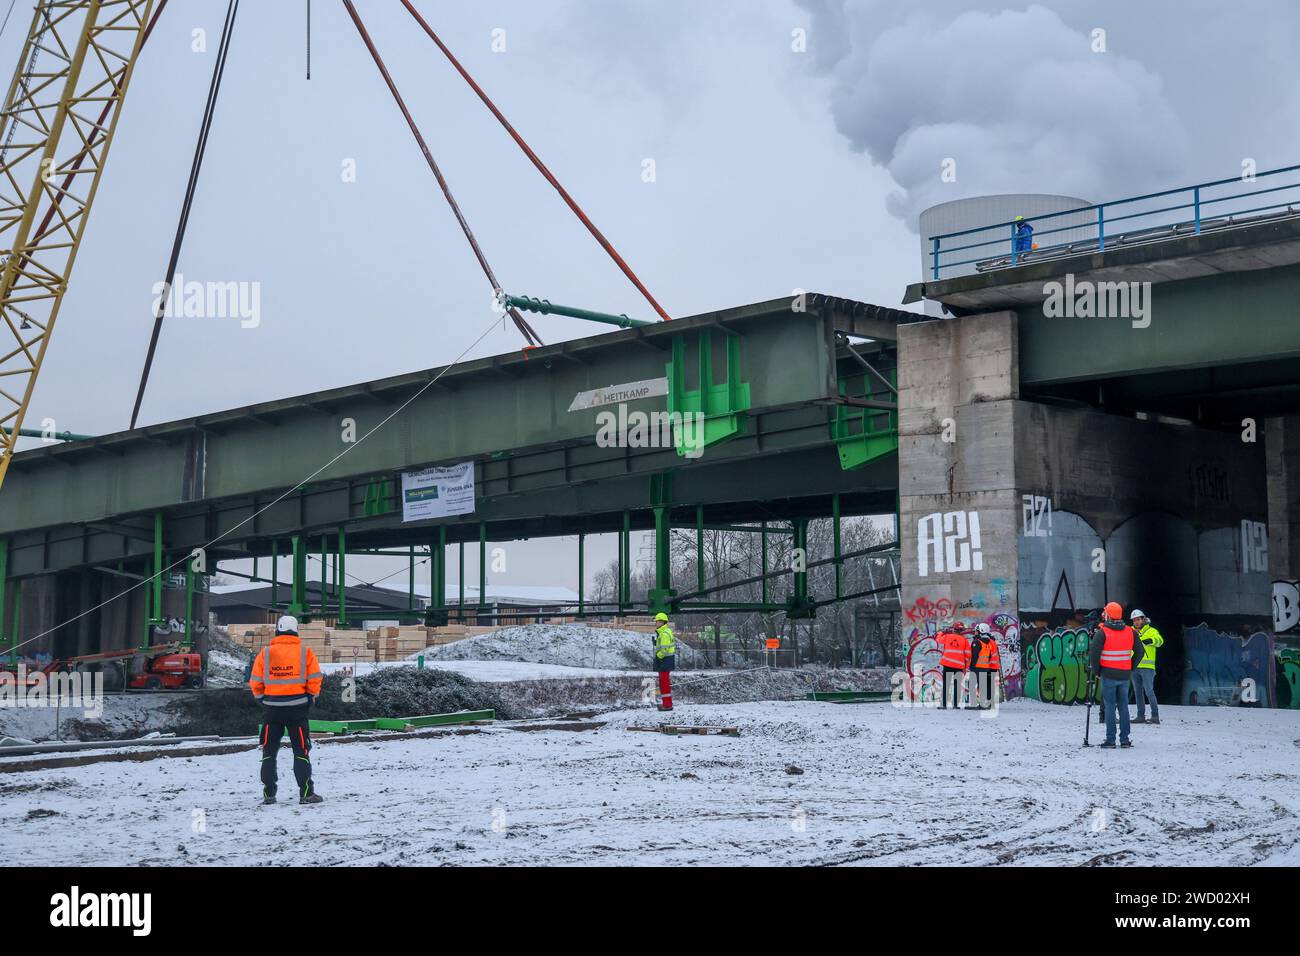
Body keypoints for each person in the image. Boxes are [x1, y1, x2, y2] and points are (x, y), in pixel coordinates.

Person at [248, 615, 324, 804]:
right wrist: (310, 698)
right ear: (296, 630)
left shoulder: (265, 653)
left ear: (277, 630)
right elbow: (315, 679)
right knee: (301, 751)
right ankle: (306, 793)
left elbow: (255, 682)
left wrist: (262, 700)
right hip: (297, 709)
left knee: (268, 751)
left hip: (271, 709)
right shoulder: (305, 652)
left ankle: (269, 795)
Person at [1088, 602, 1144, 749]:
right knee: (1124, 706)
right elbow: (1140, 652)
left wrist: (1097, 671)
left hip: (1108, 675)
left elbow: (1094, 655)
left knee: (1110, 706)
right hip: (1124, 676)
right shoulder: (1130, 632)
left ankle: (1110, 740)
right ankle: (1125, 740)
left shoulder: (1103, 633)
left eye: (1105, 613)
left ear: (1109, 615)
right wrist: (1130, 667)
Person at [1129, 609, 1163, 725]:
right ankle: (1140, 716)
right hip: (1134, 666)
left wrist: (1152, 640)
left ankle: (1155, 716)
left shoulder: (1152, 631)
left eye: (1138, 619)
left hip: (1147, 667)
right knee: (1137, 692)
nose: (1136, 622)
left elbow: (1160, 641)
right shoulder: (1130, 631)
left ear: (1143, 619)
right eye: (1134, 620)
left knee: (1149, 691)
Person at [938, 622, 971, 709]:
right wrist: (965, 666)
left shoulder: (947, 637)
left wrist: (942, 632)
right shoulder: (965, 641)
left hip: (947, 664)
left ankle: (944, 705)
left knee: (946, 685)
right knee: (957, 686)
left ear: (954, 629)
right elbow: (968, 655)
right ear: (961, 630)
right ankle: (955, 705)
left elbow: (938, 639)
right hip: (959, 667)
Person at [969, 622, 1000, 709]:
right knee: (988, 686)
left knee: (984, 686)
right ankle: (989, 703)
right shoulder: (992, 641)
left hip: (988, 666)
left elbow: (984, 654)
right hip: (991, 666)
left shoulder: (987, 641)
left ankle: (985, 703)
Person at [652, 611, 676, 712]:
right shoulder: (663, 632)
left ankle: (667, 705)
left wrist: (658, 657)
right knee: (664, 683)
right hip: (665, 661)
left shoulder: (664, 634)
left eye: (657, 621)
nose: (656, 623)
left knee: (664, 683)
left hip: (664, 661)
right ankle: (666, 703)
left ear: (662, 622)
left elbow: (664, 650)